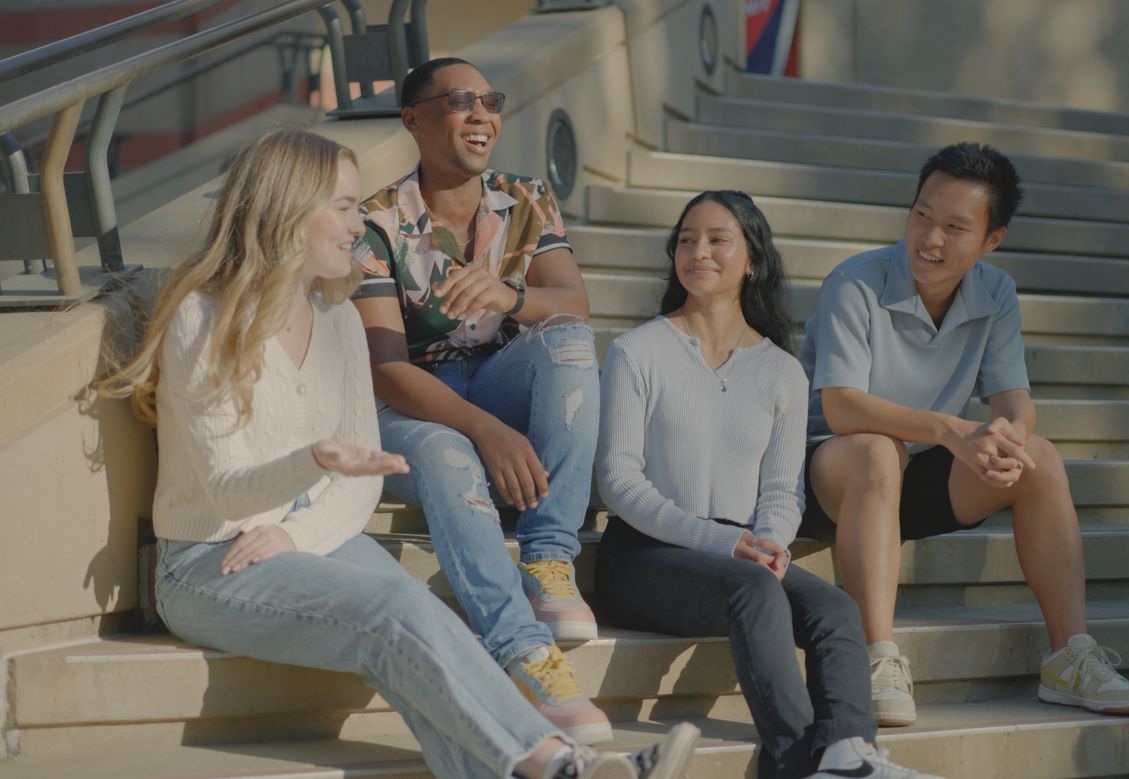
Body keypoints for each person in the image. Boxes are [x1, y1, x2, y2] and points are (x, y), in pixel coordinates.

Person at [97, 129, 698, 779]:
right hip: (209, 559)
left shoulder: (337, 320)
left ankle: (553, 769)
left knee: (420, 629)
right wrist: (317, 462)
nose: (360, 224)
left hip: (304, 533)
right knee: (399, 612)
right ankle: (561, 767)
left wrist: (297, 527)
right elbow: (226, 491)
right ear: (288, 208)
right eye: (345, 206)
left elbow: (360, 486)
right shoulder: (203, 317)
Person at [799, 142, 1129, 727]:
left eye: (954, 227)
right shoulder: (855, 283)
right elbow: (841, 408)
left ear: (992, 240)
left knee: (1037, 456)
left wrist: (1007, 440)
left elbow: (1014, 402)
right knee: (875, 450)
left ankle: (1070, 657)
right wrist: (954, 430)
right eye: (921, 215)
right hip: (834, 475)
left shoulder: (996, 294)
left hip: (917, 474)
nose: (929, 238)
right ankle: (874, 656)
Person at [594, 190, 941, 779]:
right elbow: (619, 482)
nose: (697, 251)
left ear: (752, 259)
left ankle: (848, 752)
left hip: (744, 553)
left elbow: (783, 490)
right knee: (752, 591)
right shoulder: (638, 352)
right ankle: (797, 764)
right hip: (644, 555)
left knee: (834, 607)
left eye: (717, 239)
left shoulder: (781, 369)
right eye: (686, 239)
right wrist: (723, 545)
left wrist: (771, 546)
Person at [350, 57, 607, 741]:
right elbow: (386, 367)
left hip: (497, 377)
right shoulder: (376, 221)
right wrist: (486, 430)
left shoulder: (524, 197)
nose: (481, 115)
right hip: (413, 403)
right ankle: (522, 652)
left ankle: (550, 557)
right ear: (413, 119)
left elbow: (573, 302)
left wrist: (510, 295)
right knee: (447, 451)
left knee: (571, 339)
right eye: (460, 102)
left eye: (489, 101)